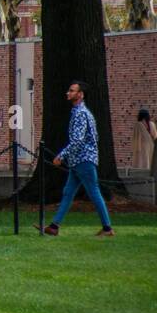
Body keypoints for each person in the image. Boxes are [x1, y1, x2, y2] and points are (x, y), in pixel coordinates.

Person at [42, 80, 114, 238]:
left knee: (94, 192)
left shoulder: (80, 113)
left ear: (80, 94)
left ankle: (107, 228)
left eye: (72, 90)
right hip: (79, 160)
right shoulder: (83, 112)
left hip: (83, 160)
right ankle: (54, 226)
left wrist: (61, 155)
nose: (68, 93)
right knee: (68, 192)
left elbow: (78, 140)